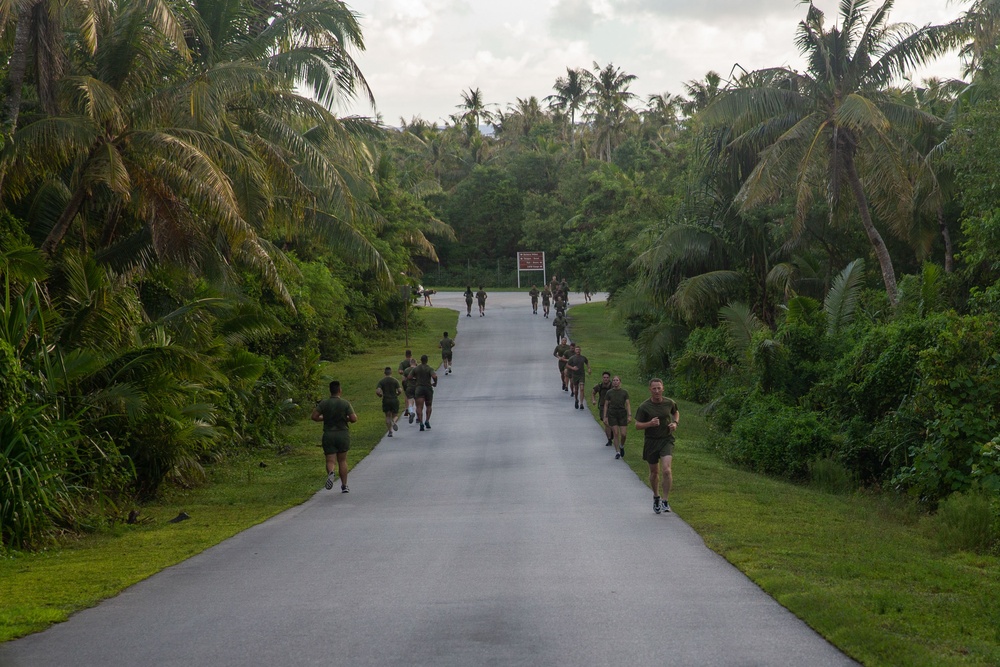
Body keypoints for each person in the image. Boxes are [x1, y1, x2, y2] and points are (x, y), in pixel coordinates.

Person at [634, 378, 679, 514]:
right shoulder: (644, 407)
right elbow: (637, 425)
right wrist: (649, 424)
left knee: (666, 470)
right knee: (654, 473)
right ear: (650, 390)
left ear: (663, 388)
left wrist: (675, 423)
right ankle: (656, 497)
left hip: (666, 439)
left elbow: (675, 412)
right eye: (654, 388)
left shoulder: (669, 402)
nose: (657, 391)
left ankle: (665, 500)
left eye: (659, 388)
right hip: (651, 441)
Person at [311, 380, 357, 493]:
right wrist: (344, 418)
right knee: (342, 460)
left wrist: (325, 418)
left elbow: (314, 417)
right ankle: (344, 485)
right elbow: (353, 419)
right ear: (340, 390)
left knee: (330, 460)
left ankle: (331, 472)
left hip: (328, 435)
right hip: (342, 434)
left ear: (330, 391)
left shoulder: (324, 403)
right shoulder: (345, 403)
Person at [603, 375, 631, 460]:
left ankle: (621, 445)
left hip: (622, 413)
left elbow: (627, 404)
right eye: (614, 380)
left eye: (617, 380)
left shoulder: (624, 392)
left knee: (623, 434)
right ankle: (617, 452)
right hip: (612, 413)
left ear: (620, 382)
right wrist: (605, 416)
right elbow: (606, 405)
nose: (615, 382)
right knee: (615, 433)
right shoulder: (609, 392)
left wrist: (629, 415)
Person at [413, 354, 438, 431]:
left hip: (419, 388)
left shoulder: (416, 368)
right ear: (427, 360)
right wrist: (435, 383)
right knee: (429, 405)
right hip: (427, 388)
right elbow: (434, 376)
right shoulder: (429, 368)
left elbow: (410, 377)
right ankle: (427, 420)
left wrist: (416, 379)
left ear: (421, 360)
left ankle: (421, 423)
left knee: (419, 407)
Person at [376, 367, 402, 438]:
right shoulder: (395, 381)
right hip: (394, 399)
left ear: (384, 373)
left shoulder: (381, 381)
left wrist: (380, 395)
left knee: (387, 416)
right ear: (391, 373)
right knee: (395, 415)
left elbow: (378, 391)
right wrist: (397, 394)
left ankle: (390, 432)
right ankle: (394, 421)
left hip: (386, 400)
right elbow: (400, 390)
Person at [565, 344, 591, 409]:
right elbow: (567, 365)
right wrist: (572, 368)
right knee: (576, 390)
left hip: (581, 374)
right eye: (576, 350)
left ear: (580, 351)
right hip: (575, 375)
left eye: (579, 350)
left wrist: (589, 368)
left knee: (582, 388)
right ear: (575, 351)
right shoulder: (572, 358)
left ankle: (581, 404)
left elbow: (587, 362)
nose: (578, 351)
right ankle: (576, 400)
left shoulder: (583, 357)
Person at [592, 372, 613, 446]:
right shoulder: (599, 386)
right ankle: (610, 437)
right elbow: (593, 392)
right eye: (604, 377)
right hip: (602, 406)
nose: (606, 379)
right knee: (605, 422)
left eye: (607, 377)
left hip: (611, 407)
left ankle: (610, 437)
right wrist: (593, 400)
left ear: (609, 378)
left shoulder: (612, 386)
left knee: (608, 422)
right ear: (602, 378)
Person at [398, 350, 414, 418]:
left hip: (405, 381)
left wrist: (404, 372)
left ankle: (406, 408)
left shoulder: (402, 363)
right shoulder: (413, 361)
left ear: (405, 355)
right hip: (412, 381)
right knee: (413, 396)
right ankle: (411, 409)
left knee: (406, 394)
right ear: (411, 354)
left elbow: (400, 371)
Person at [403, 358, 418, 424]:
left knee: (410, 402)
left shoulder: (406, 370)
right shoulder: (418, 369)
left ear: (410, 363)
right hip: (418, 388)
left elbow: (403, 380)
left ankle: (411, 412)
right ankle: (418, 417)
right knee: (418, 404)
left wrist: (405, 387)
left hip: (409, 387)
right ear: (416, 363)